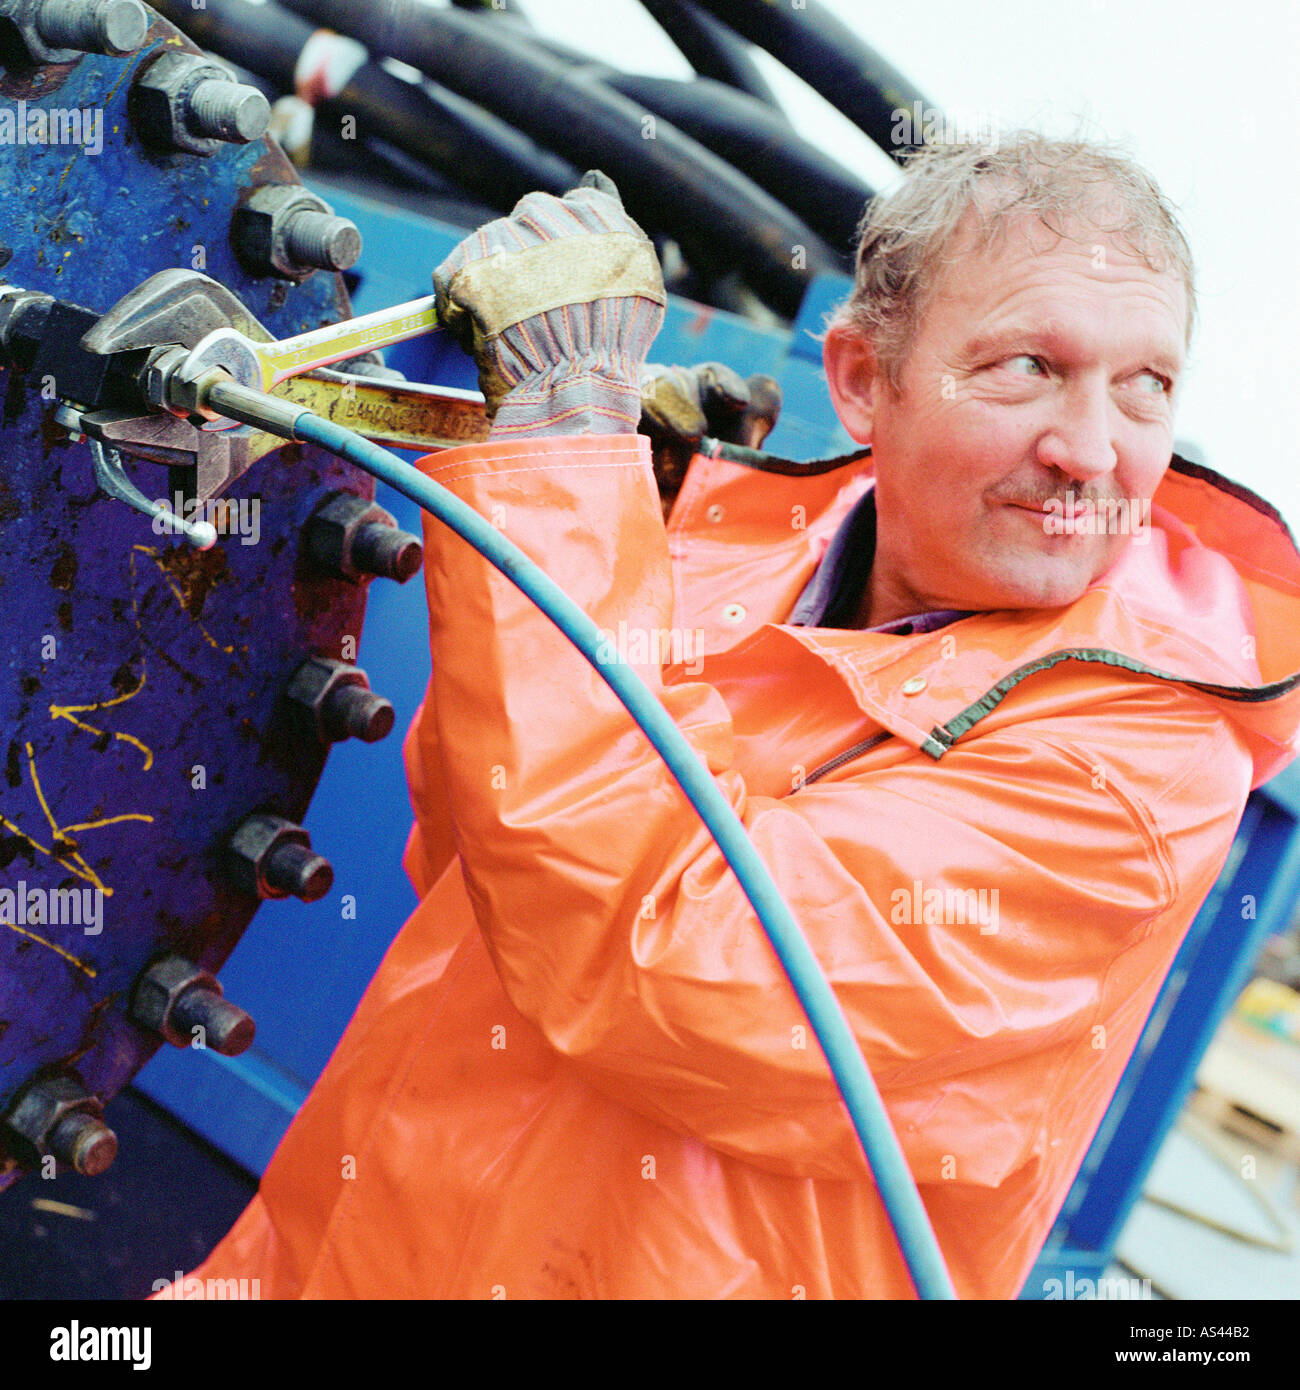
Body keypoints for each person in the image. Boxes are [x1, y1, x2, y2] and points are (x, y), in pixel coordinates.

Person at [163, 131, 1300, 1299]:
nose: (1089, 452)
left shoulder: (1138, 764)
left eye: (1145, 386)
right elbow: (472, 858)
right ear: (862, 381)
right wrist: (608, 508)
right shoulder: (725, 548)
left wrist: (565, 460)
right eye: (1027, 368)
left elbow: (674, 966)